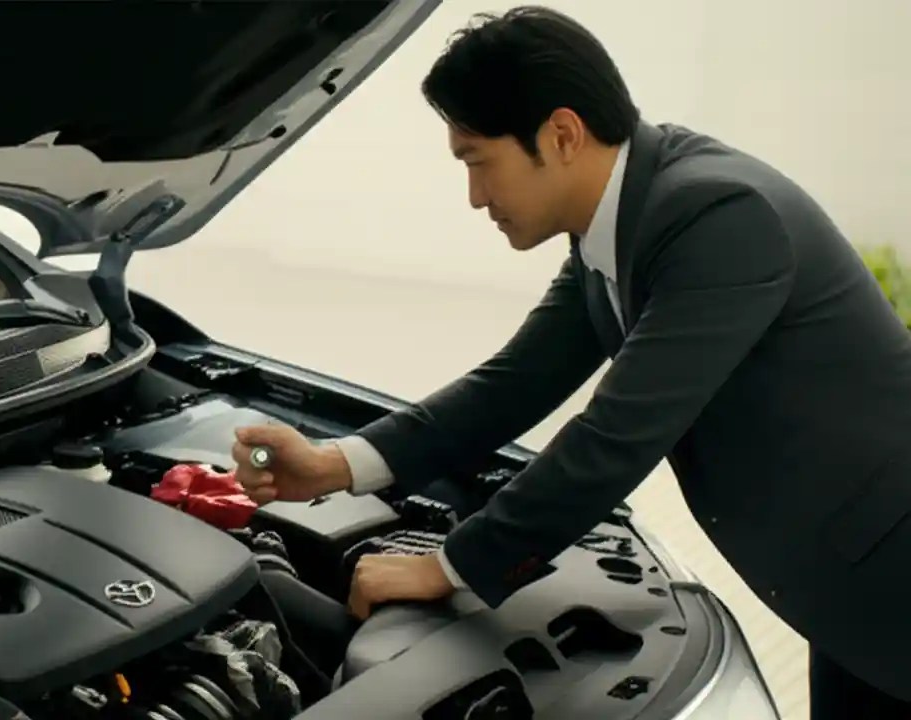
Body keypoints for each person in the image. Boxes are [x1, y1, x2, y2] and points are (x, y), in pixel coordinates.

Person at [229, 6, 911, 719]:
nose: (475, 197)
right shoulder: (619, 227)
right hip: (847, 591)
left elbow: (617, 435)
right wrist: (334, 465)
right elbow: (513, 384)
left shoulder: (720, 216)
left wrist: (449, 566)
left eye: (477, 161)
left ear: (559, 136)